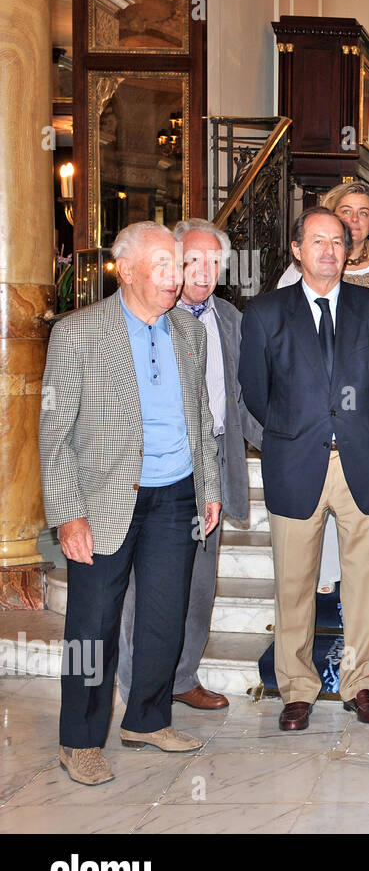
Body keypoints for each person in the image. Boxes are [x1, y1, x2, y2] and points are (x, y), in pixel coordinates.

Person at [40, 221, 221, 785]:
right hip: (103, 501)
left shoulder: (190, 334)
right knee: (91, 626)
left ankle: (147, 717)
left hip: (176, 495)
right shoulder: (79, 332)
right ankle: (80, 739)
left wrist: (208, 488)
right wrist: (68, 513)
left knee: (165, 616)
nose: (177, 278)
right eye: (165, 266)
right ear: (128, 270)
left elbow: (200, 420)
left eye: (179, 265)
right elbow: (54, 431)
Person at [239, 207, 369, 732]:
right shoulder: (265, 313)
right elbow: (255, 393)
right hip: (296, 462)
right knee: (293, 584)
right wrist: (295, 430)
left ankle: (360, 684)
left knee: (364, 582)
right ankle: (297, 689)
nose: (329, 250)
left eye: (338, 241)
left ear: (350, 249)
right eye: (317, 241)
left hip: (364, 462)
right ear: (296, 249)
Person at [118, 219, 261, 712]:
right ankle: (137, 685)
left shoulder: (231, 319)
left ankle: (182, 677)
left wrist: (284, 441)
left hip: (214, 460)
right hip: (159, 468)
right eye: (191, 260)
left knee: (200, 580)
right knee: (145, 586)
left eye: (213, 261)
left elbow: (241, 399)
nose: (202, 270)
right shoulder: (152, 315)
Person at [276, 180, 369, 596]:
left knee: (364, 569)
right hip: (308, 435)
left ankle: (363, 659)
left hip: (362, 434)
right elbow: (266, 377)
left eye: (364, 212)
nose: (355, 220)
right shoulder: (291, 283)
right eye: (347, 210)